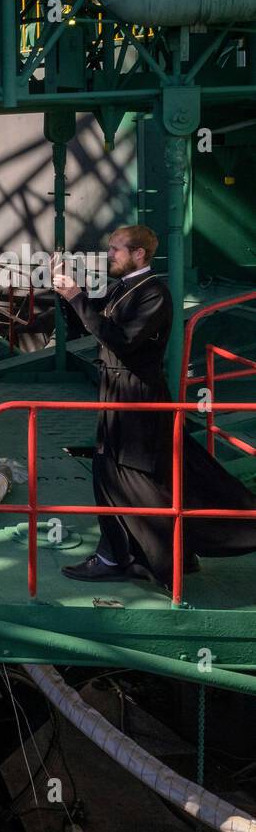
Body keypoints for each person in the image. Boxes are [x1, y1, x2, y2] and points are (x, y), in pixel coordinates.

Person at [54, 225, 256, 587]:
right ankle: (149, 554)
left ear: (138, 254)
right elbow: (93, 325)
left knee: (127, 473)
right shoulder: (125, 287)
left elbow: (123, 341)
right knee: (120, 471)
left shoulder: (154, 294)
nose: (109, 254)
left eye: (115, 249)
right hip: (118, 391)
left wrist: (76, 297)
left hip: (136, 395)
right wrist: (69, 296)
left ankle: (130, 556)